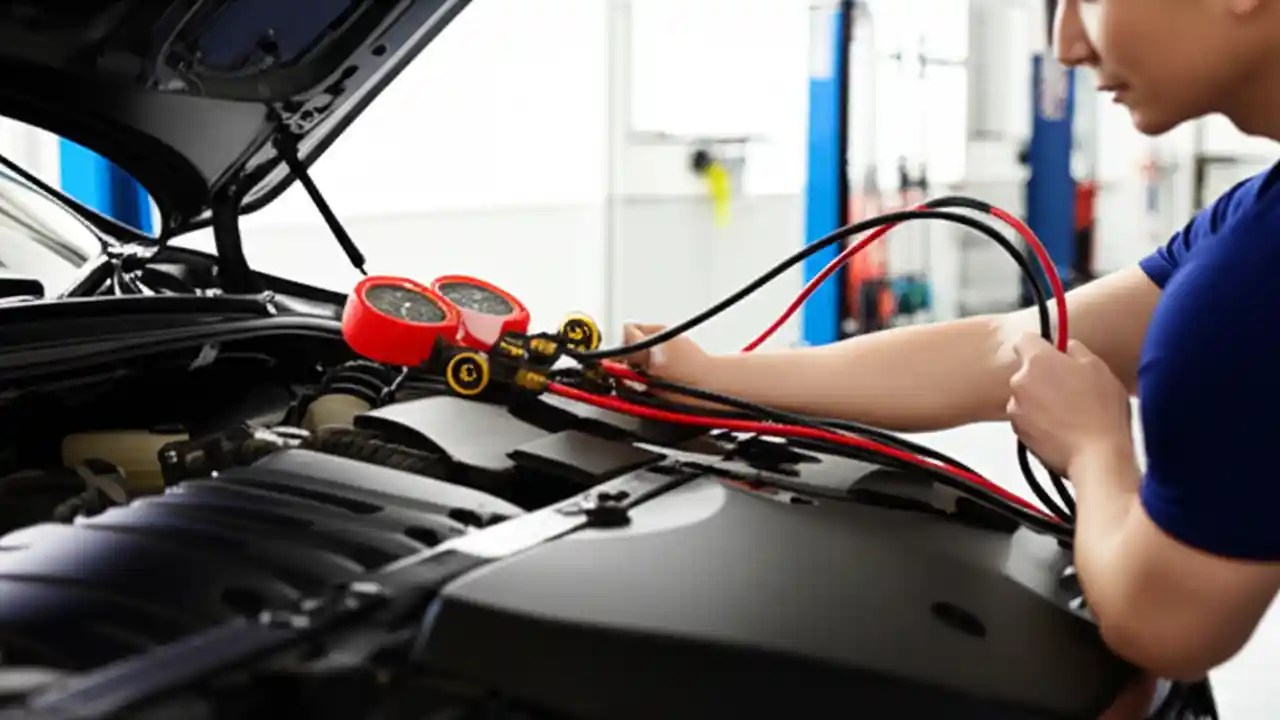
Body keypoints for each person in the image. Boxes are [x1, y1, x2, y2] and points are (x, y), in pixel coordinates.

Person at [621, 0, 1280, 716]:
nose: (1065, 44)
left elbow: (1167, 622)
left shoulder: (1257, 272)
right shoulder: (1250, 222)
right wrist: (711, 379)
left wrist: (1096, 451)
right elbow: (1010, 347)